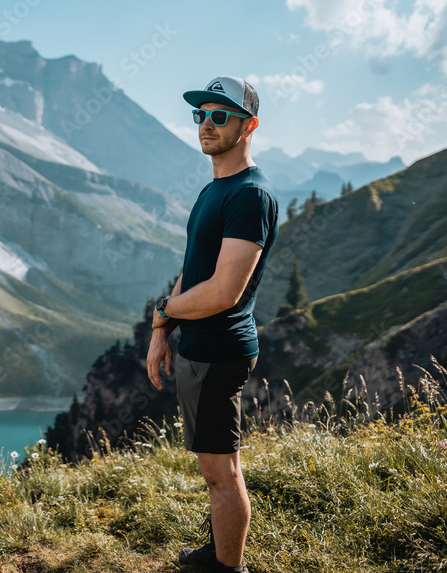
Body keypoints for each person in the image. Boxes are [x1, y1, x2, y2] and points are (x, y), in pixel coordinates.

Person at [146, 76, 279, 573]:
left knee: (222, 473)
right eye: (199, 114)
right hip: (201, 345)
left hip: (218, 351)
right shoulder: (216, 189)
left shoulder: (249, 195)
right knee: (218, 468)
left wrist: (163, 312)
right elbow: (195, 270)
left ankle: (228, 568)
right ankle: (217, 552)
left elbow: (224, 291)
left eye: (219, 116)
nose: (205, 124)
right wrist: (163, 329)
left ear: (249, 126)